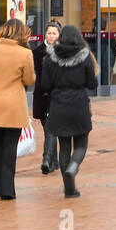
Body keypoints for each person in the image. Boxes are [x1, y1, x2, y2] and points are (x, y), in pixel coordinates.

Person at [41, 25, 98, 199]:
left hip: (58, 105)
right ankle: (73, 168)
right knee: (81, 143)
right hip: (79, 104)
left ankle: (69, 189)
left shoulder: (50, 57)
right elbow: (92, 84)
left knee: (64, 145)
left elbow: (45, 85)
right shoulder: (85, 55)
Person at [0, 18, 35, 200]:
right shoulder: (25, 53)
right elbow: (29, 79)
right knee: (10, 145)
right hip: (13, 103)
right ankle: (6, 188)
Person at [31, 21, 62, 174]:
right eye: (49, 33)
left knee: (51, 129)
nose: (51, 36)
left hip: (57, 97)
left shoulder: (64, 51)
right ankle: (54, 162)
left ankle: (46, 160)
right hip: (42, 95)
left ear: (59, 35)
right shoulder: (37, 52)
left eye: (54, 33)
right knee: (48, 129)